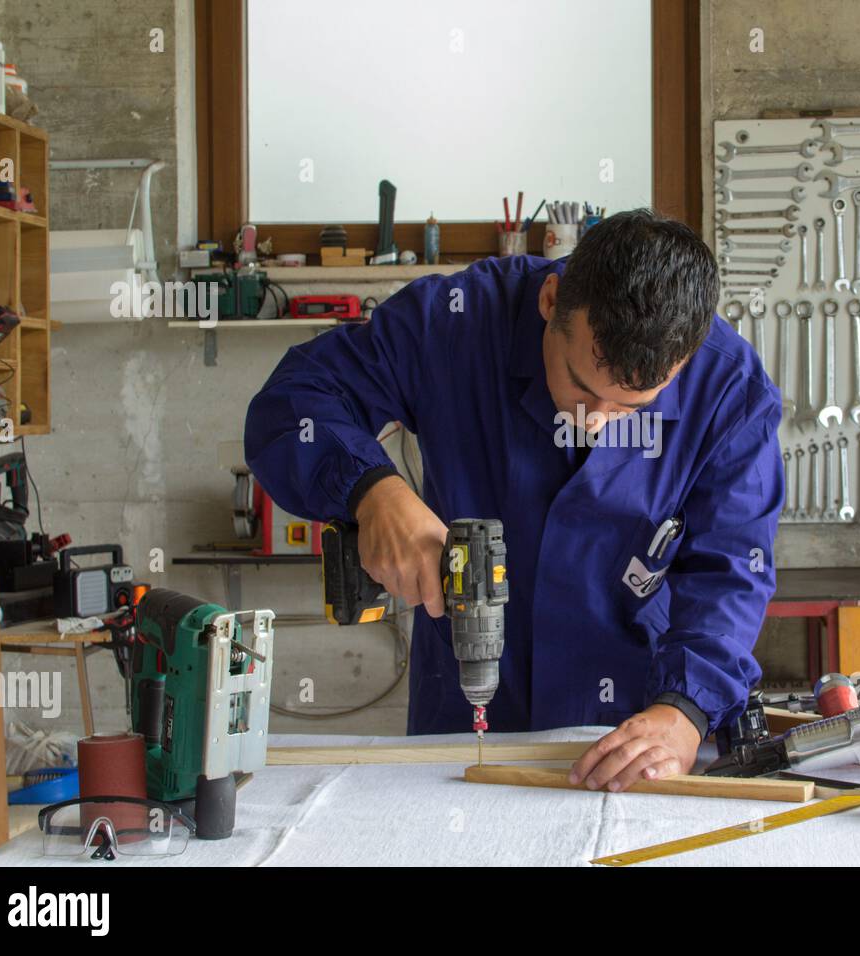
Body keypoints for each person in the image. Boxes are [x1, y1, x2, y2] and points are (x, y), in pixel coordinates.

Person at [245, 209, 782, 791]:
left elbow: (731, 569)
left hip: (628, 721)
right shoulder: (455, 322)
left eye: (631, 409)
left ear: (687, 357)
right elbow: (291, 402)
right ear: (550, 301)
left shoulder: (730, 389)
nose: (595, 424)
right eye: (581, 386)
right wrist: (370, 489)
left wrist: (685, 712)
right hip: (464, 705)